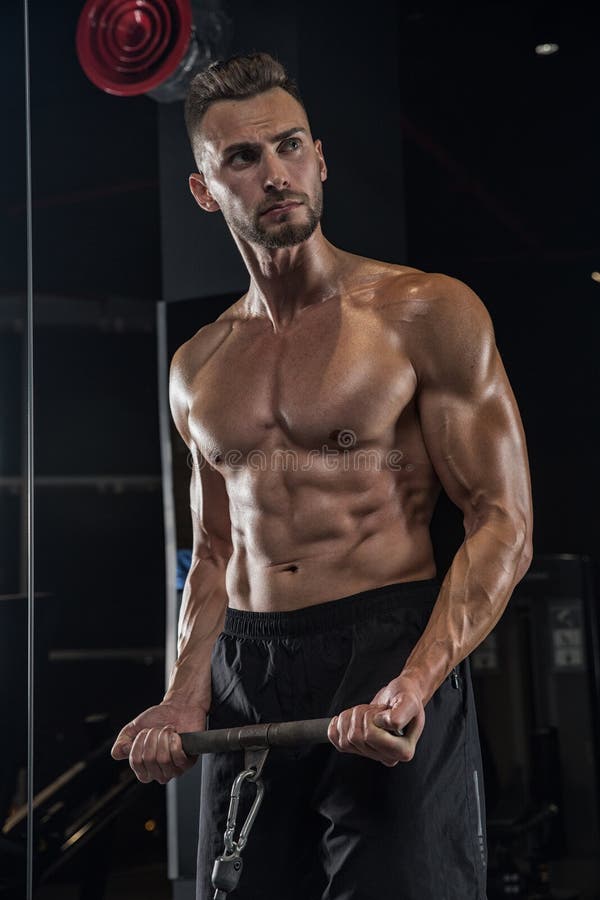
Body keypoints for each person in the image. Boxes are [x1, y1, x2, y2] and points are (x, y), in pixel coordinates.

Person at [111, 52, 533, 899]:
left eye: (290, 145)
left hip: (384, 645)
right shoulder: (197, 365)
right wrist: (184, 695)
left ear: (321, 158)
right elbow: (214, 551)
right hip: (246, 669)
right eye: (242, 157)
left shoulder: (425, 311)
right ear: (205, 190)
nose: (275, 173)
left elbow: (502, 521)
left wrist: (419, 678)